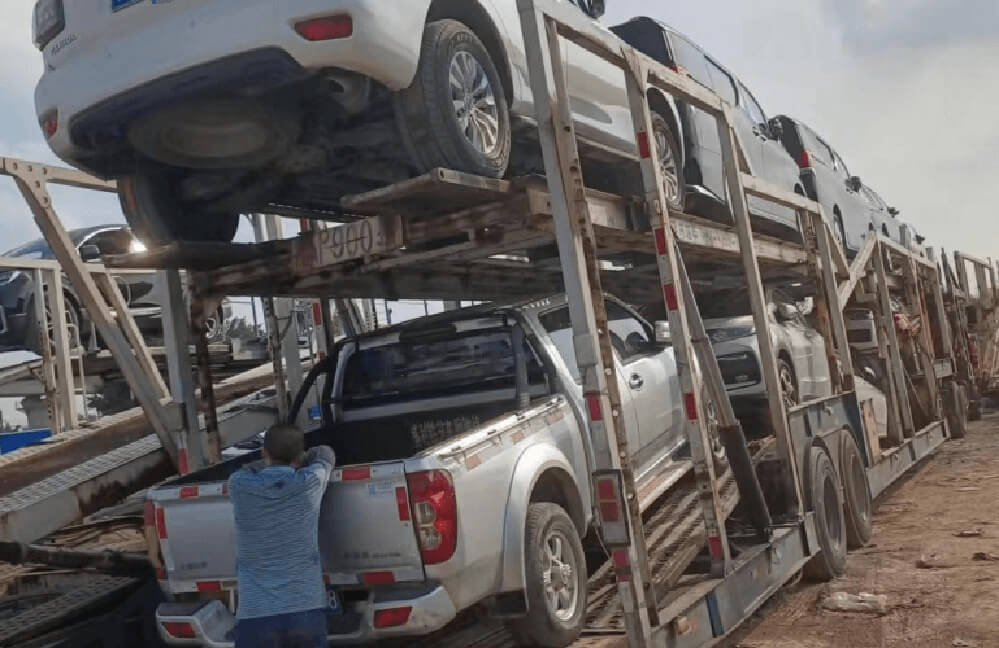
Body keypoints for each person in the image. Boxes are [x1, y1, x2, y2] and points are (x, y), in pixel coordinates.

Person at [228, 423, 335, 648]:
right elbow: (325, 452)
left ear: (264, 452)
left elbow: (246, 467)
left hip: (255, 614)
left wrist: (271, 459)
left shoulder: (239, 485)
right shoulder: (310, 482)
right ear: (300, 454)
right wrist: (304, 458)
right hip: (305, 610)